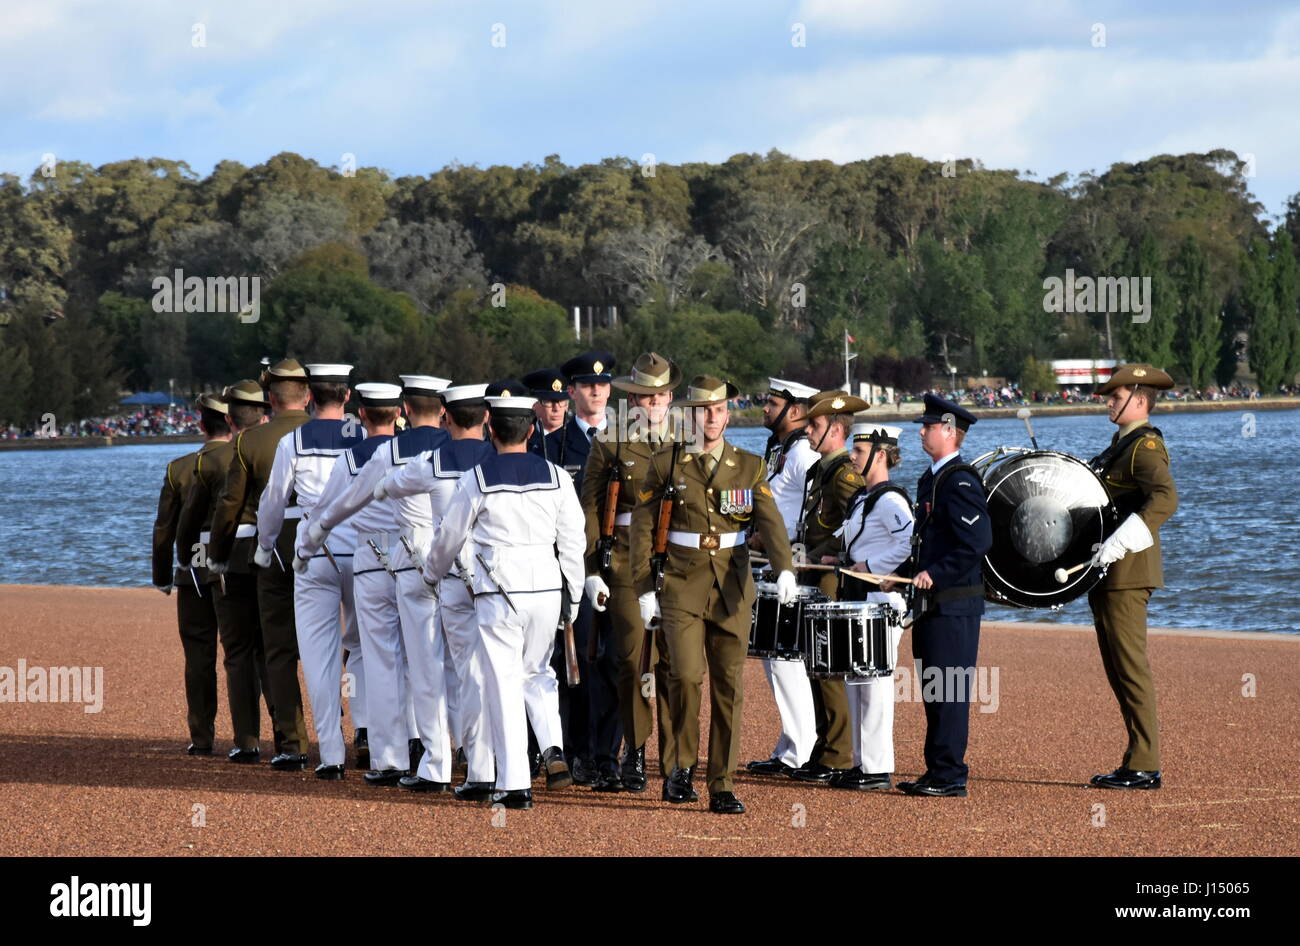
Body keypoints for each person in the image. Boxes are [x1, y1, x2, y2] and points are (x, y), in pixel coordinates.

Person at [630, 375, 796, 814]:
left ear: (727, 413)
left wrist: (784, 570)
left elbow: (770, 521)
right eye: (703, 411)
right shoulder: (667, 462)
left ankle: (721, 782)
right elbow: (644, 529)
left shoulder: (748, 465)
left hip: (732, 587)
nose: (711, 418)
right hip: (681, 584)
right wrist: (645, 587)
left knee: (729, 686)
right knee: (683, 676)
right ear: (690, 415)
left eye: (718, 410)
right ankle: (680, 769)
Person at [425, 390, 587, 810]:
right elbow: (573, 541)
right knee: (538, 673)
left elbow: (448, 538)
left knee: (502, 682)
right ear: (531, 430)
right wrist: (572, 591)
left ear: (491, 428)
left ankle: (515, 782)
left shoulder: (475, 478)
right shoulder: (558, 476)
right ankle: (552, 745)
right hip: (547, 589)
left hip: (500, 591)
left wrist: (431, 574)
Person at [306, 374, 456, 791]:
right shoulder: (448, 450)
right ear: (440, 410)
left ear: (407, 409)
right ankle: (438, 757)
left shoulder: (382, 454)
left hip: (374, 560)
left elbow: (339, 504)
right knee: (428, 661)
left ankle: (390, 758)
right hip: (426, 560)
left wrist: (310, 541)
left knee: (382, 662)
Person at [376, 383, 500, 799]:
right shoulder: (497, 458)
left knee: (427, 668)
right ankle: (481, 765)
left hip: (438, 570)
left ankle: (436, 765)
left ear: (447, 418)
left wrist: (380, 488)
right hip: (490, 579)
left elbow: (392, 485)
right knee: (475, 674)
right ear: (486, 417)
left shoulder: (432, 460)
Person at [297, 382, 416, 786]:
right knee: (404, 655)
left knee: (324, 656)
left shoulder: (354, 457)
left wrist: (301, 549)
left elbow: (325, 511)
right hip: (405, 559)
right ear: (399, 413)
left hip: (350, 557)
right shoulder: (413, 453)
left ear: (361, 414)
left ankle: (334, 753)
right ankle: (404, 739)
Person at [255, 364, 367, 779]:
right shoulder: (363, 435)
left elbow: (273, 501)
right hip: (362, 551)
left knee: (319, 657)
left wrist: (266, 547)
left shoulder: (293, 440)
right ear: (348, 396)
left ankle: (333, 755)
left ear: (311, 397)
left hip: (315, 552)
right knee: (366, 647)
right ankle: (371, 734)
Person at [580, 352, 681, 792]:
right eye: (643, 396)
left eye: (658, 396)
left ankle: (677, 762)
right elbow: (589, 504)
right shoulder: (611, 441)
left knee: (676, 666)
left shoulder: (689, 442)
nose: (651, 403)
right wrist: (589, 567)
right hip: (624, 561)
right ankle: (635, 753)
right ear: (632, 399)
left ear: (671, 397)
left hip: (678, 564)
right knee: (630, 662)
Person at [208, 358, 313, 771]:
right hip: (338, 550)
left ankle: (285, 741)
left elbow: (229, 506)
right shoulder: (336, 432)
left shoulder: (249, 441)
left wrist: (215, 555)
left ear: (271, 398)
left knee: (272, 649)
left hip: (265, 551)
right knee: (353, 651)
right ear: (307, 394)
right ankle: (369, 741)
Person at [889, 393, 992, 798]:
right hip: (934, 604)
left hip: (956, 604)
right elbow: (926, 543)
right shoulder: (932, 478)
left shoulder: (961, 480)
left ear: (949, 432)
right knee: (935, 690)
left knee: (949, 691)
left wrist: (936, 573)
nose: (921, 431)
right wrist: (902, 575)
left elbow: (978, 541)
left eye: (928, 426)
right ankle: (937, 770)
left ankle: (950, 775)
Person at [1086, 363, 1178, 790]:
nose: (1107, 400)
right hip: (1107, 574)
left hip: (1127, 572)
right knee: (1118, 669)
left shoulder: (1145, 448)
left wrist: (1123, 541)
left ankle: (1145, 764)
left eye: (1115, 395)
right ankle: (1136, 759)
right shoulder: (1120, 446)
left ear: (1139, 400)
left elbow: (1165, 498)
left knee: (1131, 669)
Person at [176, 380, 279, 762]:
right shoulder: (280, 447)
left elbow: (196, 520)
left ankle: (242, 740)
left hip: (228, 559)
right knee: (273, 649)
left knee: (234, 651)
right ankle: (289, 739)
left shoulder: (202, 463)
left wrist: (192, 559)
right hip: (276, 555)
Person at [546, 350, 620, 786]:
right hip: (571, 571)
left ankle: (610, 755)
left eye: (603, 384)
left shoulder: (629, 443)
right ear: (572, 391)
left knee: (618, 663)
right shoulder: (552, 445)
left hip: (621, 571)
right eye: (588, 385)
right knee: (572, 665)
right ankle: (576, 752)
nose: (596, 390)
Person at [788, 391, 870, 784]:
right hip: (811, 579)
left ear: (836, 431)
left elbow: (857, 525)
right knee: (814, 669)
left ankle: (837, 755)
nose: (807, 430)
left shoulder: (843, 475)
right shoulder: (819, 471)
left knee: (828, 667)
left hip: (829, 583)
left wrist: (822, 552)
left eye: (815, 426)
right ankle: (824, 749)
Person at [746, 377, 821, 778]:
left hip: (788, 566)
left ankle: (801, 750)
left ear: (795, 410)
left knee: (785, 659)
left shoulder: (804, 453)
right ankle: (792, 745)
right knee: (775, 660)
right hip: (768, 562)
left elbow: (819, 505)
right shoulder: (780, 449)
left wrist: (790, 542)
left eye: (772, 402)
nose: (764, 407)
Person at [834, 423, 913, 791]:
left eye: (860, 451)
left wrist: (873, 566)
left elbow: (909, 542)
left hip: (880, 601)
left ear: (881, 455)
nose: (852, 455)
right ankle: (861, 762)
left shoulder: (891, 500)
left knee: (876, 684)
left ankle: (878, 768)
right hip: (858, 598)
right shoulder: (863, 499)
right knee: (857, 680)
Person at [151, 392, 228, 755]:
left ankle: (201, 737)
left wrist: (162, 575)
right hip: (235, 567)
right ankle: (258, 735)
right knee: (246, 654)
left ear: (201, 424)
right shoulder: (244, 460)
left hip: (192, 570)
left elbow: (164, 529)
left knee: (199, 659)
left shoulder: (179, 468)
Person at [522, 367, 569, 456]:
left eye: (562, 401)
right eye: (549, 401)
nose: (556, 408)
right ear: (534, 405)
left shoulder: (578, 439)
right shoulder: (522, 440)